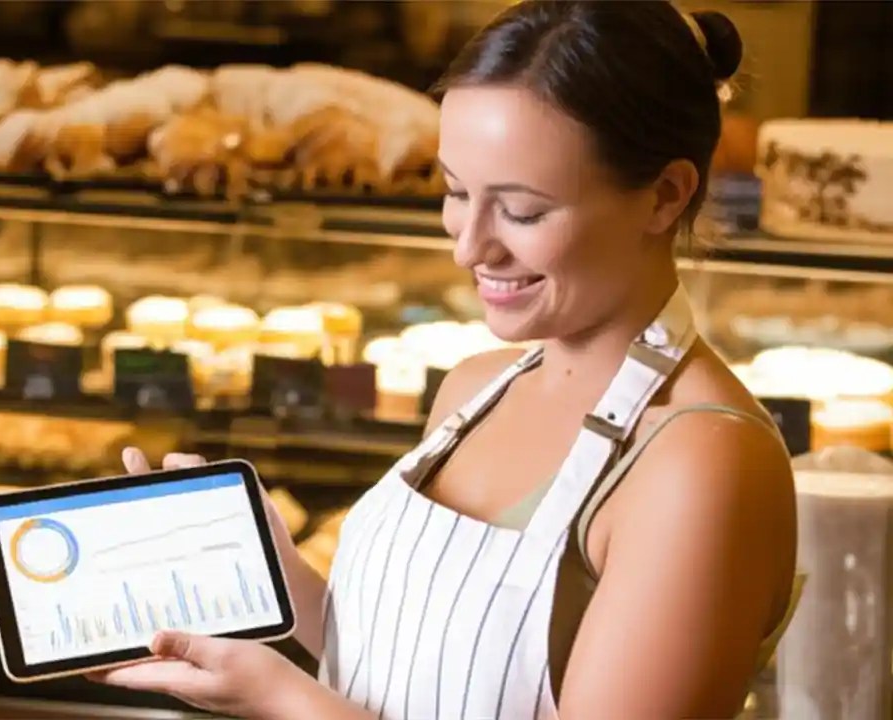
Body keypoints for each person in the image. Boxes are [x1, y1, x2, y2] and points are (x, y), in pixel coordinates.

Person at [93, 2, 800, 718]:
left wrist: (281, 698)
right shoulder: (474, 389)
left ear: (665, 195)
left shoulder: (703, 462)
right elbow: (404, 667)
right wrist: (267, 571)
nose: (469, 247)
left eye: (522, 211)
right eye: (457, 192)